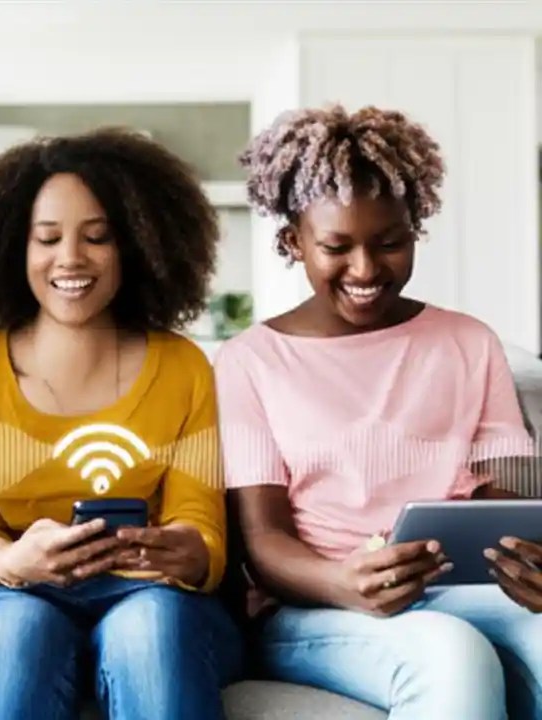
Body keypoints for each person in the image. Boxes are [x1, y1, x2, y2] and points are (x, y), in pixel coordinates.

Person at [217, 103, 542, 720]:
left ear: (414, 232)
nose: (365, 269)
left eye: (389, 243)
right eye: (336, 247)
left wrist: (523, 559)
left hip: (459, 588)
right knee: (449, 654)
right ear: (293, 242)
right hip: (317, 606)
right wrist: (341, 582)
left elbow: (506, 496)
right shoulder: (250, 361)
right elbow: (262, 538)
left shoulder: (469, 342)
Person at [0, 127, 243, 720]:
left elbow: (201, 525)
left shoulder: (183, 366)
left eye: (97, 237)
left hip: (150, 596)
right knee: (20, 630)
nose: (70, 258)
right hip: (10, 597)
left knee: (148, 628)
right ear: (13, 247)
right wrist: (11, 564)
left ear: (137, 244)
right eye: (47, 238)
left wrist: (188, 552)